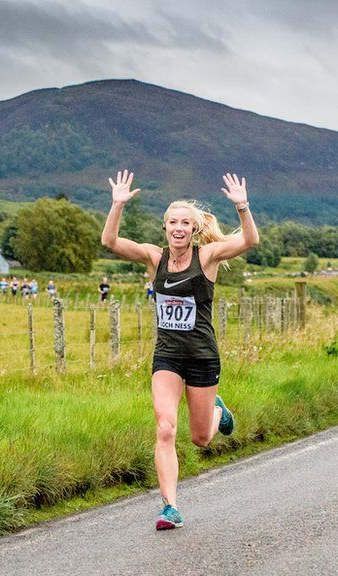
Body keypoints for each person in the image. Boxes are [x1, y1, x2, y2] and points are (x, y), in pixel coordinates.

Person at [100, 169, 258, 530]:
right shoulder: (154, 259)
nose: (179, 228)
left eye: (186, 223)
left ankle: (219, 412)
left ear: (194, 229)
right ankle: (169, 506)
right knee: (166, 428)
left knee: (201, 438)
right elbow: (109, 241)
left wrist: (243, 207)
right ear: (165, 226)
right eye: (173, 222)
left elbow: (249, 241)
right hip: (167, 357)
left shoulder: (208, 257)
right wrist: (117, 205)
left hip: (202, 355)